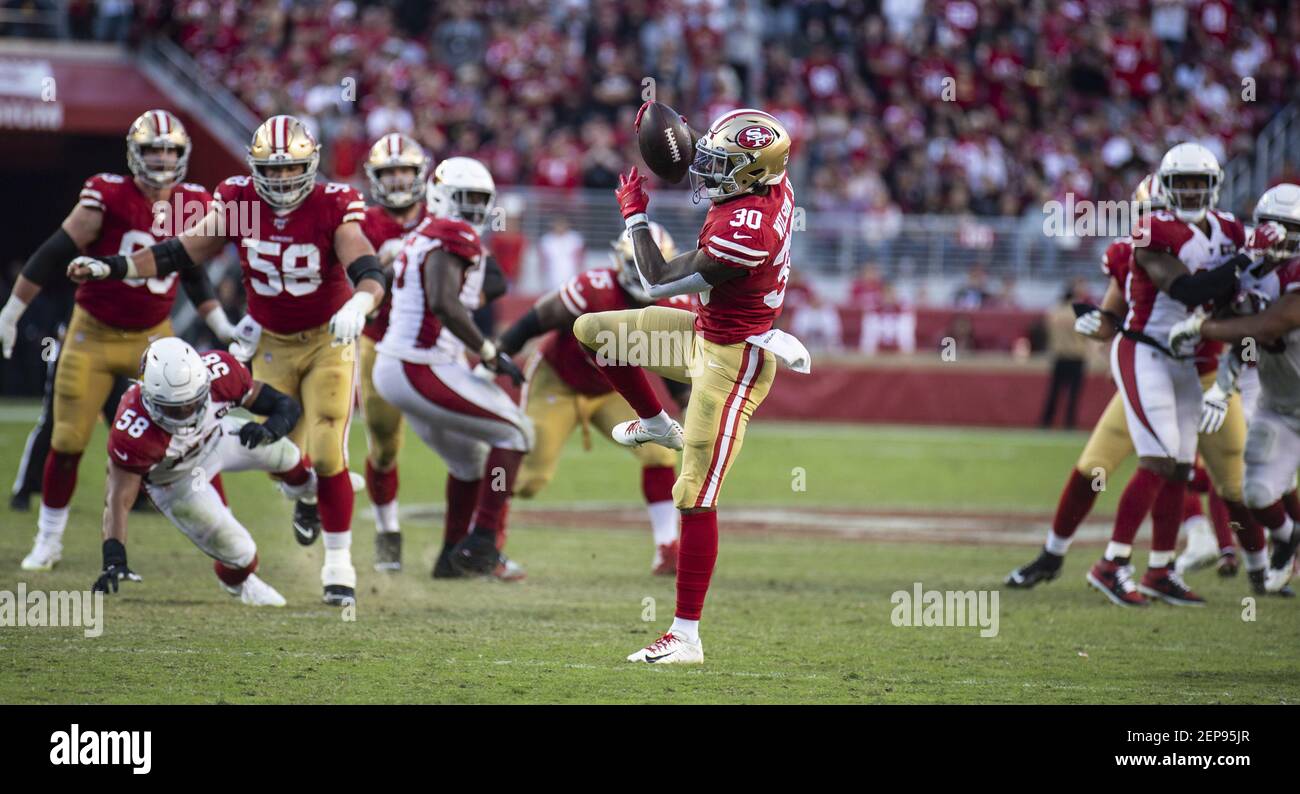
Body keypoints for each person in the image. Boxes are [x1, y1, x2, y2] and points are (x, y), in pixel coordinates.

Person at [67, 114, 383, 607]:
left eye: (290, 169)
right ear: (255, 168)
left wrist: (360, 302)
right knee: (284, 453)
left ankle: (338, 566)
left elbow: (365, 262)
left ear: (311, 166)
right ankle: (304, 501)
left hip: (327, 338)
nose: (280, 180)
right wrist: (113, 266)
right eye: (271, 170)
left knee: (325, 449)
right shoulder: (241, 203)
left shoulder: (331, 203)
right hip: (272, 341)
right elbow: (179, 252)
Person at [572, 107, 811, 664]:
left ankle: (686, 636)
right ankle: (656, 422)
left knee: (694, 494)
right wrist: (671, 135)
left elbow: (656, 280)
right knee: (595, 333)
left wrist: (634, 217)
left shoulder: (744, 227)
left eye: (723, 164)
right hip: (703, 335)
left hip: (733, 363)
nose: (709, 171)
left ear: (754, 173)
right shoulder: (768, 183)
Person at [0, 109, 231, 572]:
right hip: (94, 335)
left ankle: (227, 540)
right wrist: (13, 310)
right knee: (67, 439)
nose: (163, 158)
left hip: (154, 342)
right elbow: (52, 253)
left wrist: (222, 325)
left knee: (195, 436)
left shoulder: (192, 202)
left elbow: (193, 274)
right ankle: (48, 539)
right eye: (153, 149)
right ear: (134, 153)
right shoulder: (106, 195)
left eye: (170, 149)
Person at [495, 222, 691, 574]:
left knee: (661, 452)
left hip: (611, 391)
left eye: (653, 266)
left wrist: (689, 406)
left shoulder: (674, 301)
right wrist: (499, 353)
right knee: (530, 480)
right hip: (559, 381)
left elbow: (671, 365)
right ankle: (487, 539)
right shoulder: (595, 287)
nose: (646, 274)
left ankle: (667, 549)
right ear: (620, 261)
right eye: (638, 264)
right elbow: (537, 320)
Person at [372, 157, 531, 580]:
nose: (474, 209)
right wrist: (488, 350)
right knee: (514, 432)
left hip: (406, 364)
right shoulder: (449, 232)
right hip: (419, 364)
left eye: (482, 200)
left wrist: (474, 278)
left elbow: (491, 282)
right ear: (442, 195)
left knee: (470, 464)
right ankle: (482, 542)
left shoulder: (432, 233)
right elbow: (443, 301)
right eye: (467, 199)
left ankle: (450, 559)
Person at [94, 339, 313, 607]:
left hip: (216, 439)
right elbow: (119, 497)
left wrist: (270, 429)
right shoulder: (135, 429)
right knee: (242, 554)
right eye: (175, 408)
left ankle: (305, 494)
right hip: (176, 482)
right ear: (148, 396)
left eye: (193, 402)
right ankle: (237, 582)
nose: (187, 413)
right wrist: (114, 557)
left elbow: (285, 406)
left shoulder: (221, 371)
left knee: (287, 454)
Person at [1169, 181, 1300, 595]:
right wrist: (1221, 388)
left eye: (1290, 231)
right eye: (1273, 229)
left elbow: (1270, 325)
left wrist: (1202, 326)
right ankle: (1289, 539)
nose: (1281, 240)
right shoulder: (1252, 277)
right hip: (1280, 405)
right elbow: (1247, 343)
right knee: (1257, 492)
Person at [1039, 279, 1090, 429]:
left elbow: (1046, 333)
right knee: (1073, 395)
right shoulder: (1080, 314)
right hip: (1076, 356)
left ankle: (1046, 423)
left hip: (1059, 356)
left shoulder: (1054, 312)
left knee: (1054, 393)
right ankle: (1069, 423)